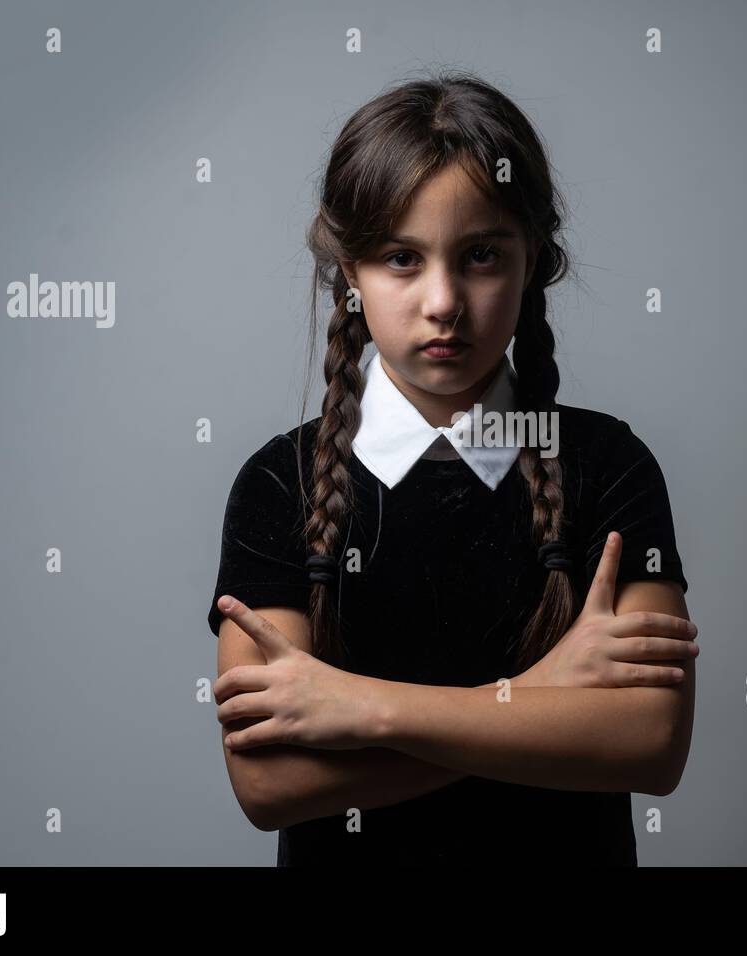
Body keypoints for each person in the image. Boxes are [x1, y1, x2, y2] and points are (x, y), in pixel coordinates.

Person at [206, 70, 699, 866]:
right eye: (402, 258)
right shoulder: (277, 484)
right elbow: (270, 786)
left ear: (531, 260)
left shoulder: (609, 466)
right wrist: (544, 699)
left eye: (479, 256)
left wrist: (360, 707)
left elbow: (648, 741)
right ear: (352, 274)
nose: (443, 301)